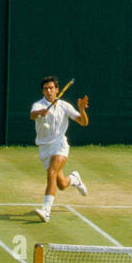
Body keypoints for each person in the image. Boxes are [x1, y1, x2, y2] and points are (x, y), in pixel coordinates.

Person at [30, 76, 90, 224]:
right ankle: (74, 179)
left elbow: (83, 122)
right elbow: (32, 115)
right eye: (46, 89)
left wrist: (82, 110)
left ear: (57, 90)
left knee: (52, 172)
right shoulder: (38, 105)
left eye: (51, 88)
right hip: (44, 148)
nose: (49, 91)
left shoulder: (65, 106)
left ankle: (46, 210)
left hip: (60, 145)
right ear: (43, 91)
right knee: (61, 184)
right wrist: (40, 113)